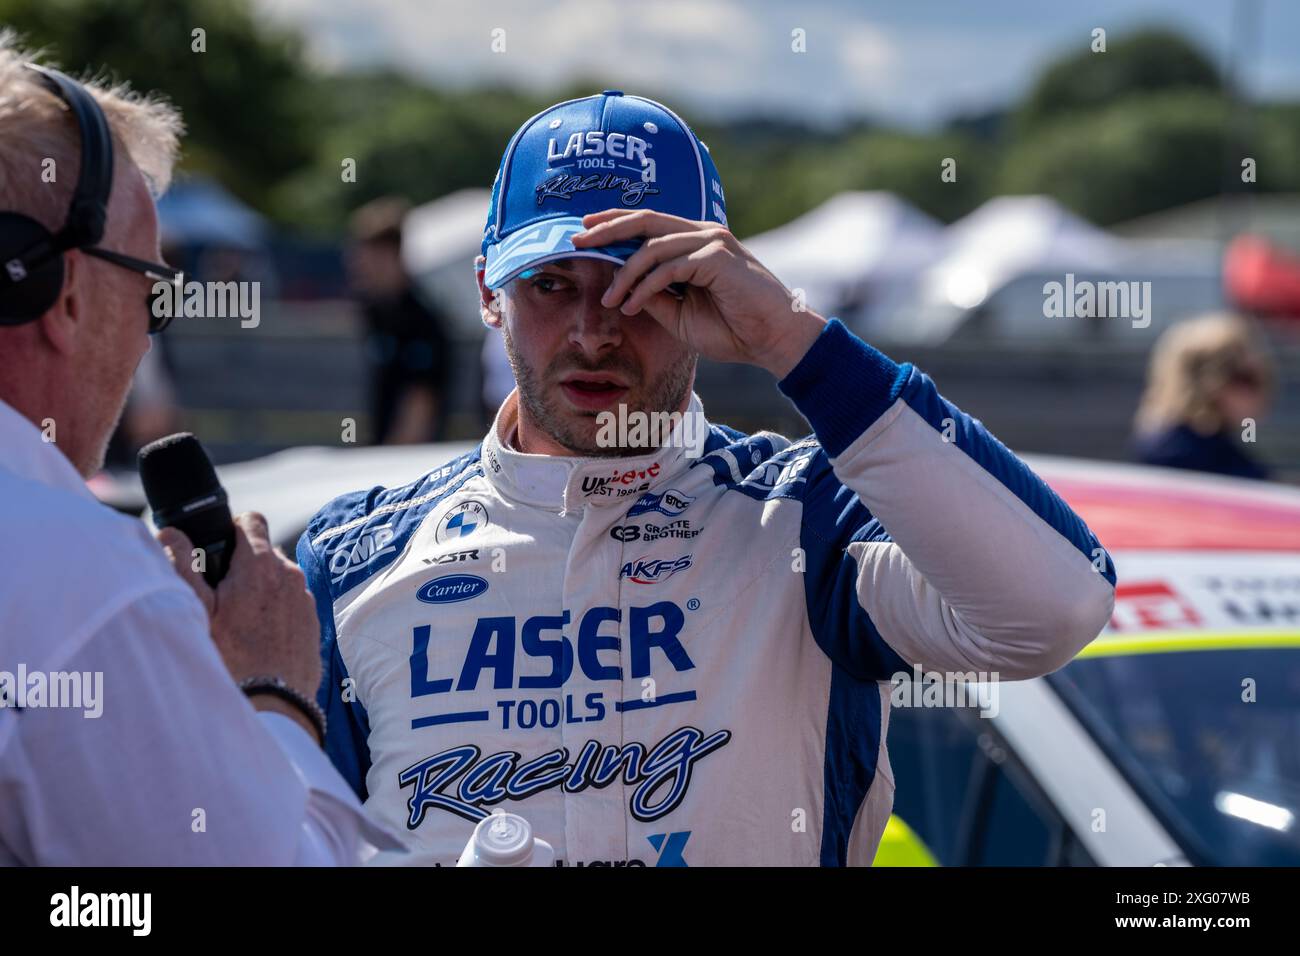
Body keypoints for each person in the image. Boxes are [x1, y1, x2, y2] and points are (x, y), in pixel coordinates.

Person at [299, 91, 1116, 866]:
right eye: (550, 285)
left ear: (709, 285)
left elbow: (1055, 610)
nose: (593, 333)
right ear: (489, 292)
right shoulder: (354, 558)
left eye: (640, 284)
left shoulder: (805, 518)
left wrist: (793, 340)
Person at [0, 39, 398, 864]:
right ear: (60, 292)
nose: (151, 329)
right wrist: (273, 691)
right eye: (152, 288)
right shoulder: (80, 583)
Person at [346, 197, 453, 444]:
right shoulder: (375, 312)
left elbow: (419, 411)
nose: (357, 266)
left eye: (366, 257)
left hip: (405, 465)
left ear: (392, 256)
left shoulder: (421, 320)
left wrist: (386, 464)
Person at [1133, 313, 1275, 481]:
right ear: (1206, 383)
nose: (1259, 391)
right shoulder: (1176, 456)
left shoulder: (1216, 447)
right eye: (1246, 378)